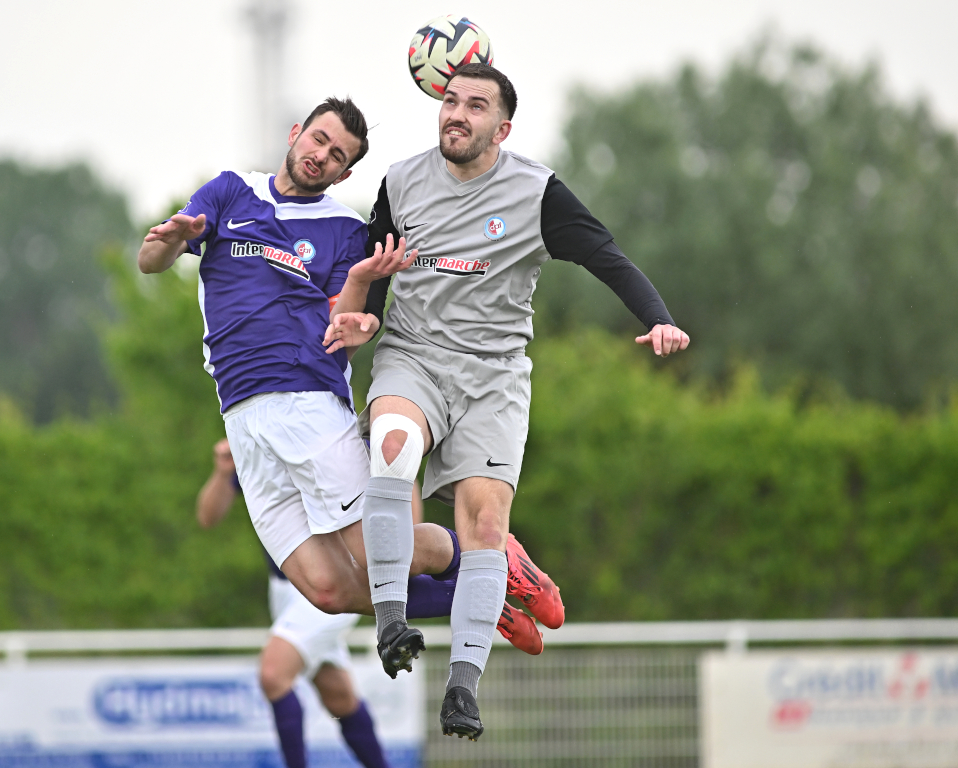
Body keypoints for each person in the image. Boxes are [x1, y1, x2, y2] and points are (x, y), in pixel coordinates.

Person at [325, 63, 691, 740]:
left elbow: (607, 255)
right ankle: (390, 624)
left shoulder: (536, 190)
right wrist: (365, 319)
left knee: (485, 527)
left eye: (475, 105)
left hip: (493, 377)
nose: (456, 114)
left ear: (503, 127)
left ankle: (464, 685)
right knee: (391, 449)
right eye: (450, 101)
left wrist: (658, 315)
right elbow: (376, 279)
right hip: (415, 359)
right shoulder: (402, 182)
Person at [137, 98, 544, 675]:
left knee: (380, 552)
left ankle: (486, 557)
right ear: (296, 133)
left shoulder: (344, 230)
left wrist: (357, 284)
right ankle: (484, 589)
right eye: (318, 140)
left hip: (305, 404)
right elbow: (150, 261)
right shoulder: (231, 192)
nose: (321, 156)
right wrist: (174, 238)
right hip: (240, 418)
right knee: (327, 590)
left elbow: (343, 333)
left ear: (344, 173)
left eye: (337, 155)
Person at [197, 438, 401, 768]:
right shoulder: (265, 438)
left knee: (273, 674)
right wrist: (223, 474)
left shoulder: (330, 431)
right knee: (339, 697)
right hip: (284, 590)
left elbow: (399, 484)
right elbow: (207, 517)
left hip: (334, 583)